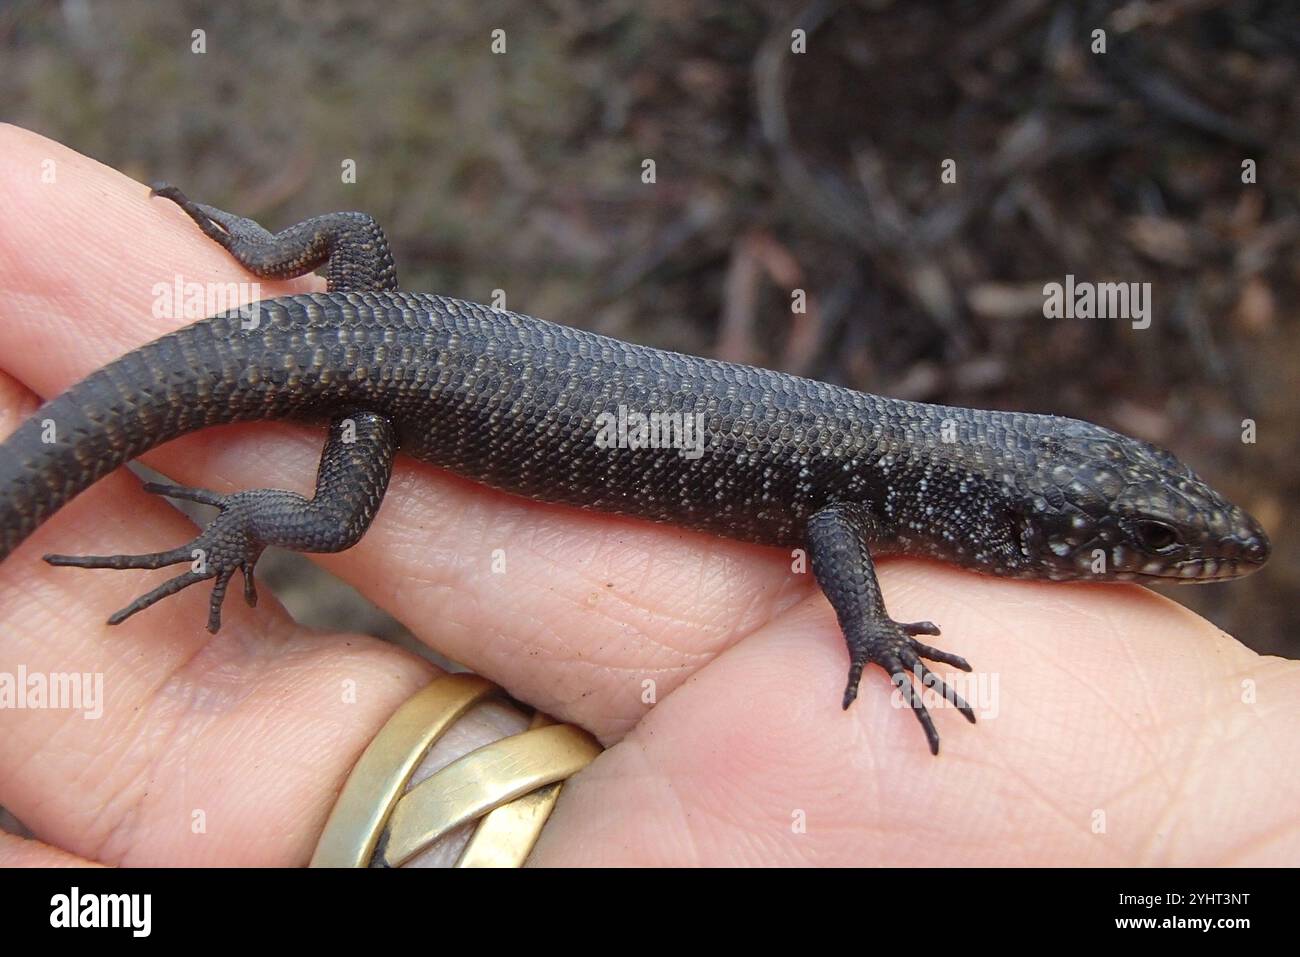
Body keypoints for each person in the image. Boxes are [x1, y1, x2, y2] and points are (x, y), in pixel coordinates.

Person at [0, 125, 1293, 866]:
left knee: (350, 239)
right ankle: (236, 522)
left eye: (1155, 532)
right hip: (382, 385)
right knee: (332, 518)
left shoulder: (913, 456)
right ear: (1029, 521)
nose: (1189, 548)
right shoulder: (890, 488)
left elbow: (834, 518)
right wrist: (877, 635)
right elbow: (831, 529)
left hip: (380, 336)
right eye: (1148, 536)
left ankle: (262, 325)